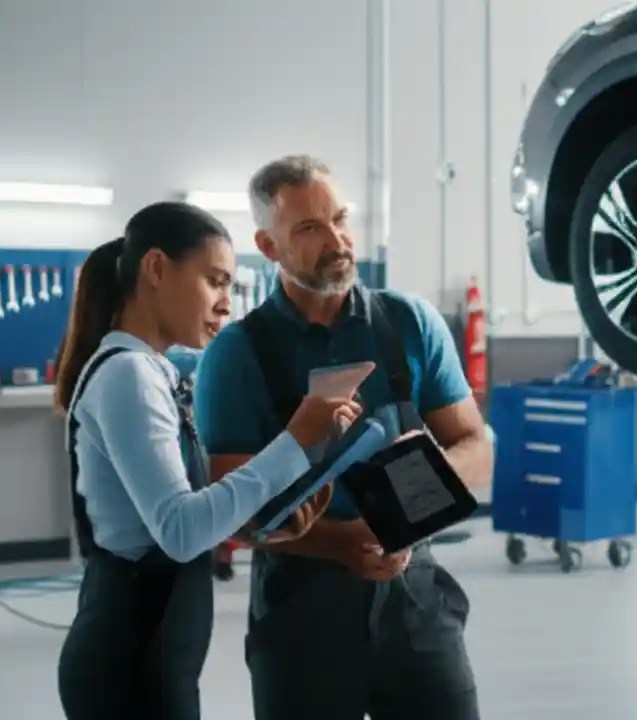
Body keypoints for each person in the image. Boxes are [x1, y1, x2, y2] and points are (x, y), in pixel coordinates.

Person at [194, 155, 494, 720]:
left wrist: (401, 516)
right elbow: (228, 507)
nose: (336, 239)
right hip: (301, 618)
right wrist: (340, 542)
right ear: (269, 244)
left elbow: (476, 448)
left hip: (418, 606)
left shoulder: (410, 323)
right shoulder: (238, 354)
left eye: (340, 219)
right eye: (308, 228)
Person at [53, 200, 358, 720]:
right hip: (129, 665)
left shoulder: (152, 370)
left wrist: (264, 523)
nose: (225, 304)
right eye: (214, 281)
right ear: (154, 268)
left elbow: (171, 518)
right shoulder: (128, 375)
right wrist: (294, 441)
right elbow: (179, 531)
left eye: (231, 288)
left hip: (152, 656)